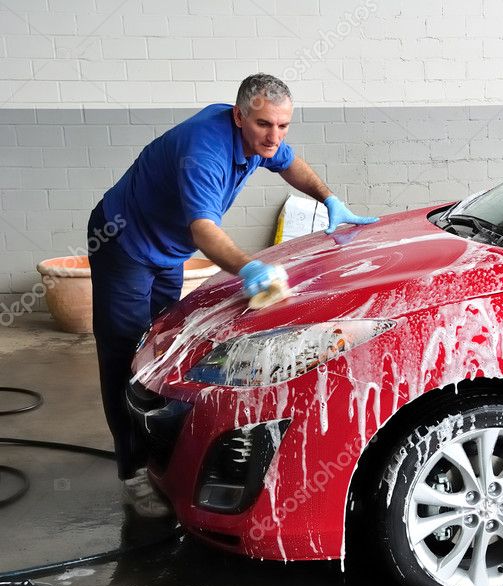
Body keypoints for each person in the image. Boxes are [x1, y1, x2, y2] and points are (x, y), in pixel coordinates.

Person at [88, 73, 377, 516]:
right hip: (123, 243)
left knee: (165, 347)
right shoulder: (205, 153)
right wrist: (248, 267)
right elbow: (203, 230)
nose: (274, 136)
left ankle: (165, 453)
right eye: (265, 125)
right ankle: (133, 471)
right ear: (238, 115)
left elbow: (287, 162)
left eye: (283, 126)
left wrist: (328, 198)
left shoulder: (259, 136)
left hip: (166, 250)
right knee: (125, 353)